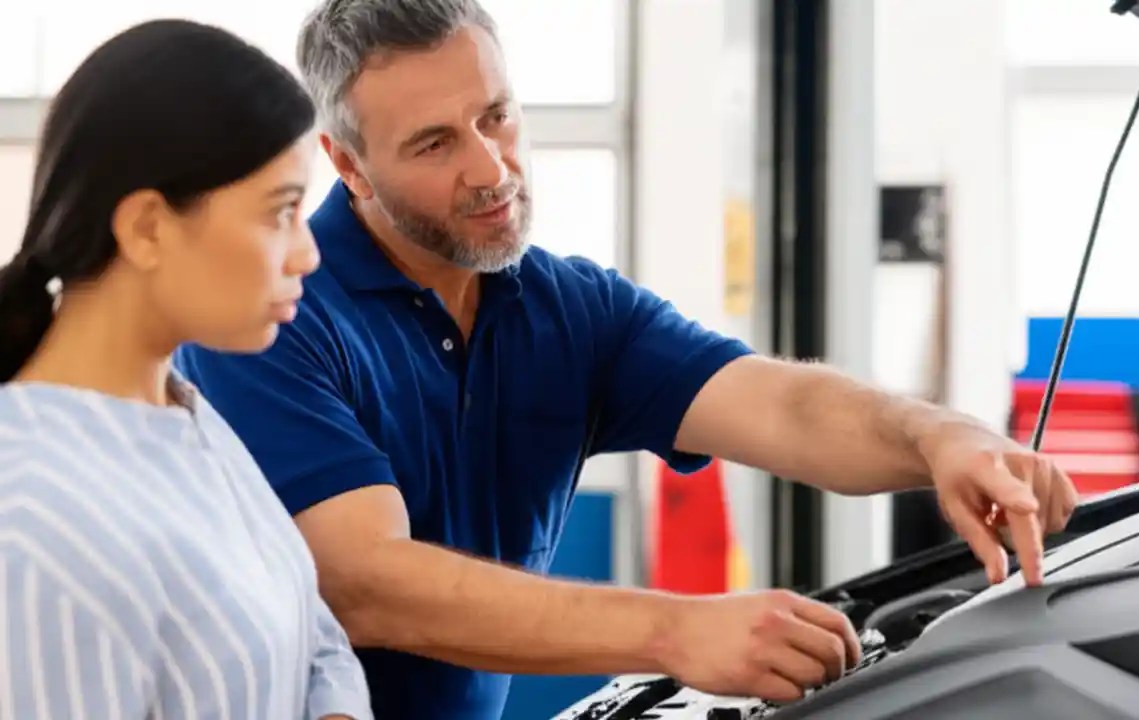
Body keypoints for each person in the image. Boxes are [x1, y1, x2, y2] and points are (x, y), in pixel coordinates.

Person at [173, 1, 1079, 718]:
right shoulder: (271, 314)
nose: (491, 168)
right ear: (348, 164)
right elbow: (365, 583)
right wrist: (674, 631)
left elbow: (781, 406)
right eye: (435, 144)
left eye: (496, 116)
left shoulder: (568, 308)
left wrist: (938, 437)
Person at [0, 19, 372, 720]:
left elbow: (313, 635)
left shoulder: (183, 415)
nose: (308, 254)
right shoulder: (35, 525)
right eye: (281, 212)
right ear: (147, 227)